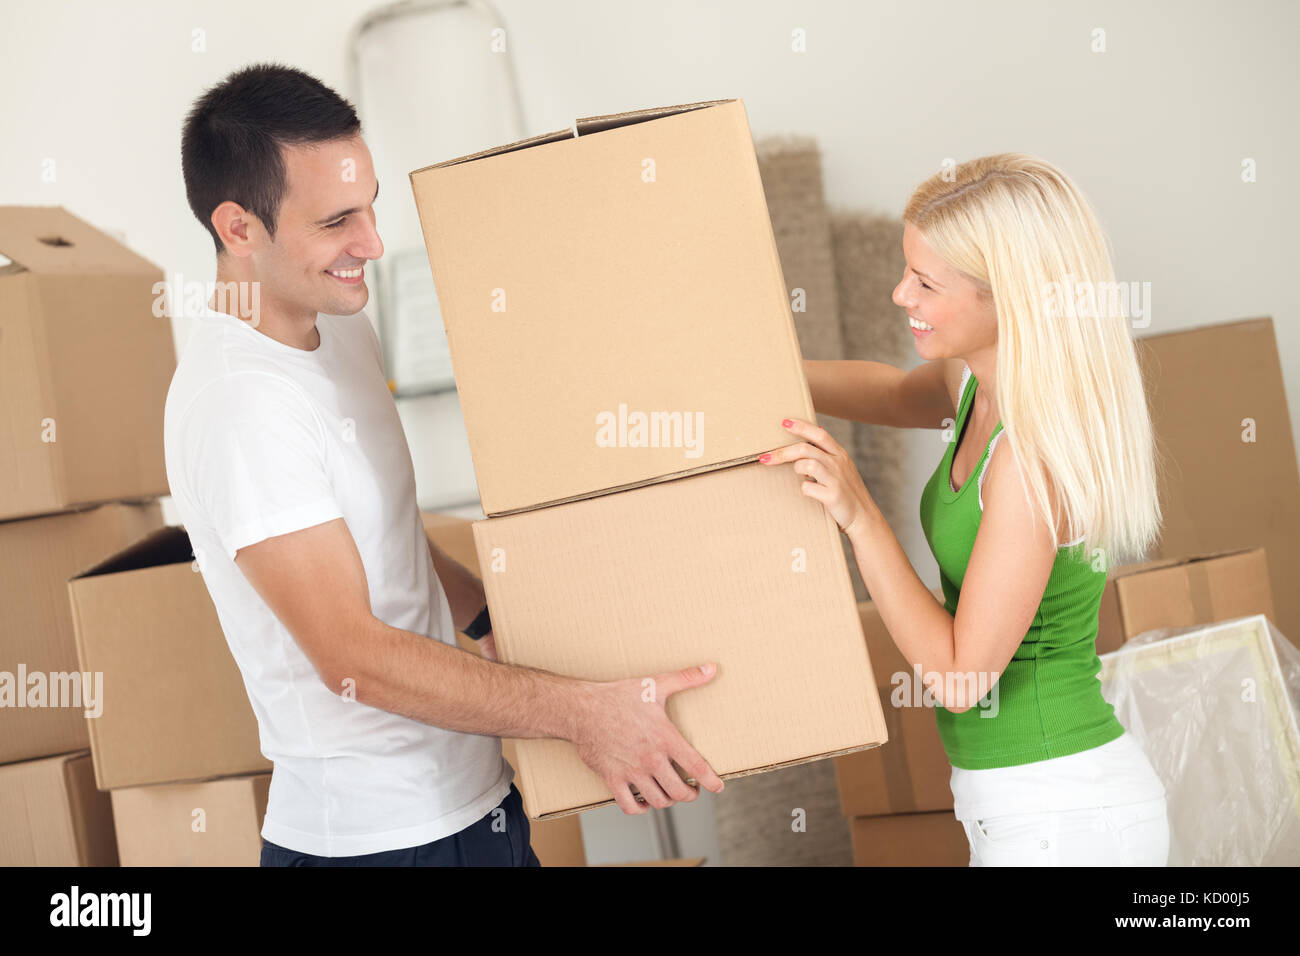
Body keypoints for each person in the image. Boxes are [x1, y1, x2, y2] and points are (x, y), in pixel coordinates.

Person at [164, 62, 722, 867]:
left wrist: (492, 621)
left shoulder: (337, 323)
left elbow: (384, 530)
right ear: (239, 228)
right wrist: (582, 713)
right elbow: (353, 656)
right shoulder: (239, 406)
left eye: (371, 206)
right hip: (375, 844)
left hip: (476, 805)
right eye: (335, 222)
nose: (372, 244)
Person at [767, 153, 1170, 866]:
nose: (899, 295)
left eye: (925, 282)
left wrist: (860, 516)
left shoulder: (1030, 457)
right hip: (1022, 803)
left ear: (1006, 297)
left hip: (1062, 808)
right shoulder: (974, 383)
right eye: (906, 270)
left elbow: (960, 679)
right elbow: (893, 395)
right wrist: (753, 376)